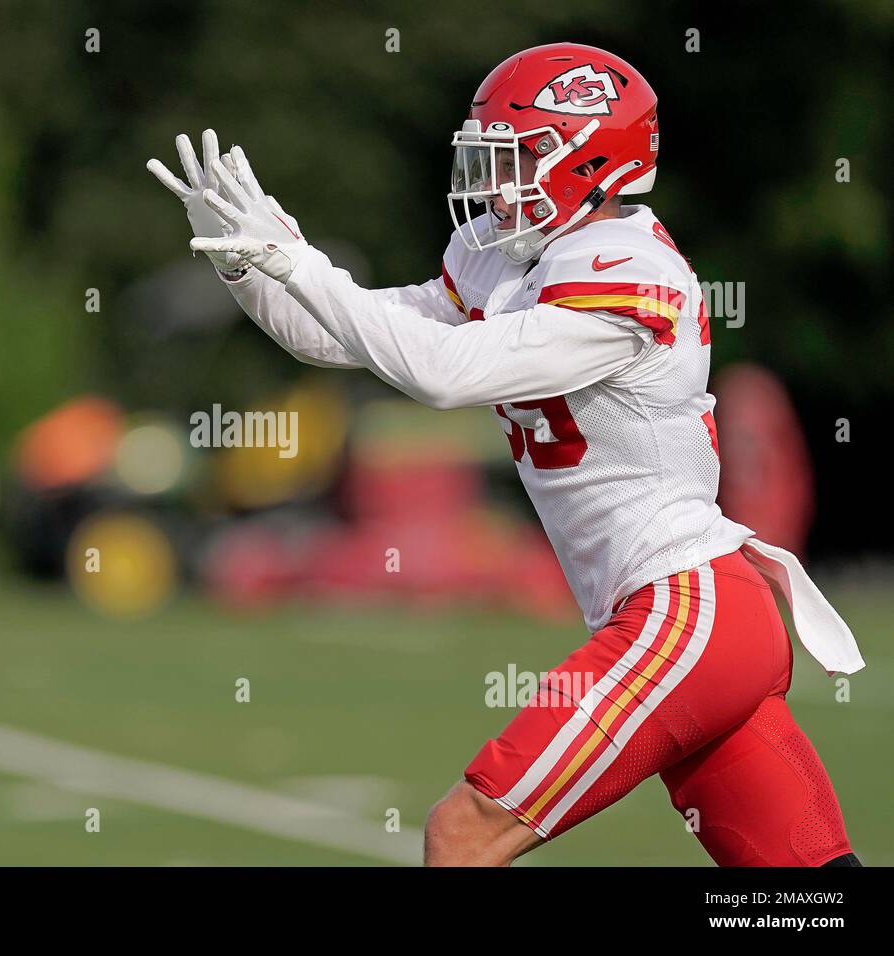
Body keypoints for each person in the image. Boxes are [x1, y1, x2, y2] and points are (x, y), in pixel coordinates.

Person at [148, 42, 864, 867]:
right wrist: (251, 266)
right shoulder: (514, 254)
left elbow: (447, 373)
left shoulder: (631, 267)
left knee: (463, 833)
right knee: (808, 894)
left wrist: (303, 263)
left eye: (518, 156)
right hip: (688, 616)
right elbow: (346, 335)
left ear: (591, 158)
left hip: (685, 609)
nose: (493, 182)